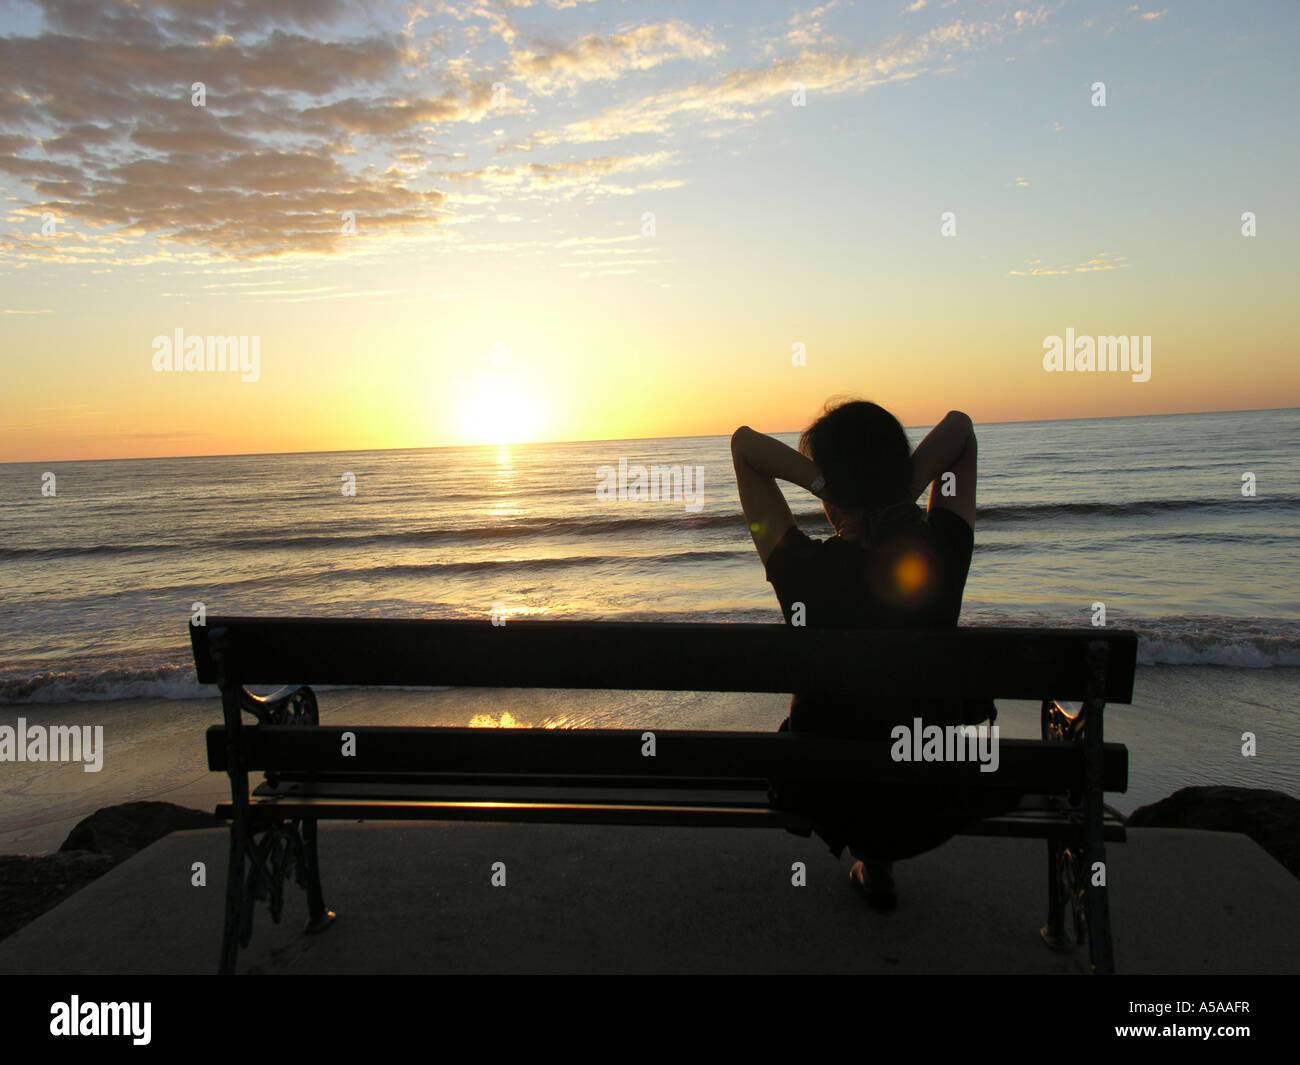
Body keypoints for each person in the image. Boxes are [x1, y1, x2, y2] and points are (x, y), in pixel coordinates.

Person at [730, 399, 1017, 910]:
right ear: (898, 466)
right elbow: (960, 430)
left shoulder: (802, 570)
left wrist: (828, 487)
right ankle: (881, 863)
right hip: (938, 795)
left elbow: (745, 446)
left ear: (830, 484)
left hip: (831, 798)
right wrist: (896, 494)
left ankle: (872, 861)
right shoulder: (941, 558)